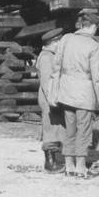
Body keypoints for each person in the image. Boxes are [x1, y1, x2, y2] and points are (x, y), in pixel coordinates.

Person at [49, 10, 99, 177]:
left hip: (67, 91)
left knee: (70, 129)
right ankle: (81, 167)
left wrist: (55, 90)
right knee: (84, 130)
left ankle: (69, 166)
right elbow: (97, 76)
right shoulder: (94, 46)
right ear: (93, 27)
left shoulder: (66, 39)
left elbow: (56, 67)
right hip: (84, 93)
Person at [36, 28, 66, 173]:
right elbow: (47, 82)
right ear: (54, 42)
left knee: (55, 128)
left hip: (52, 97)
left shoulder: (49, 55)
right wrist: (53, 100)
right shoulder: (47, 57)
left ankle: (55, 160)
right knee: (50, 129)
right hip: (50, 98)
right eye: (59, 41)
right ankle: (50, 164)